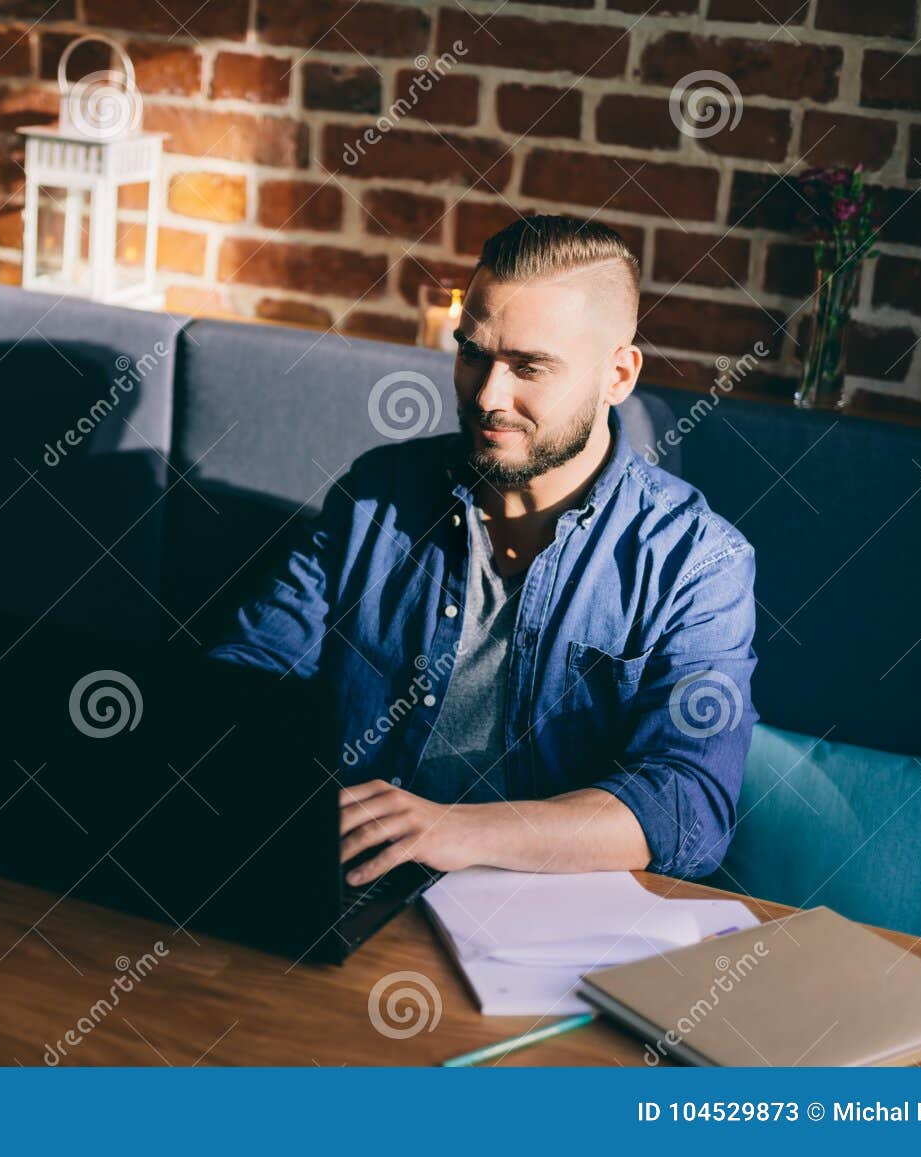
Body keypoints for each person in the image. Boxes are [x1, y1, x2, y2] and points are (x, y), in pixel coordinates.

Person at [207, 216, 758, 886]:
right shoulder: (378, 495)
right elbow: (245, 677)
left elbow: (686, 806)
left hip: (546, 931)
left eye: (529, 367)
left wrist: (448, 830)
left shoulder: (695, 561)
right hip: (352, 891)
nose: (488, 397)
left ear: (618, 374)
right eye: (473, 354)